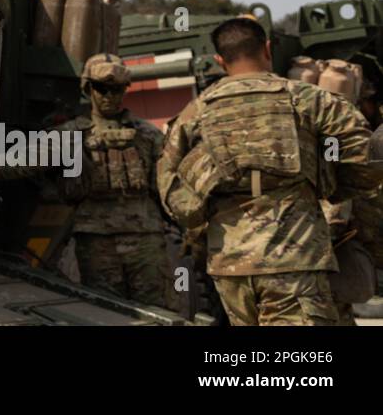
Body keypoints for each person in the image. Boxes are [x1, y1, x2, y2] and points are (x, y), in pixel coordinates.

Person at [157, 17, 382, 325]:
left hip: (230, 264)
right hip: (295, 257)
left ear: (219, 60)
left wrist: (200, 213)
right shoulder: (308, 98)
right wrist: (332, 188)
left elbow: (168, 178)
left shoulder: (195, 112)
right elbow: (366, 157)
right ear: (267, 48)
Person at [57, 54, 172, 305]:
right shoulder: (70, 134)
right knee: (106, 312)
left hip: (145, 238)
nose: (109, 96)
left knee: (159, 310)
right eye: (101, 88)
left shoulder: (148, 134)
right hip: (97, 241)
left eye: (116, 89)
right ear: (88, 89)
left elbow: (165, 187)